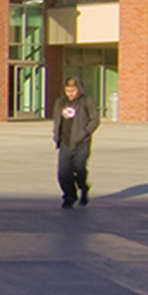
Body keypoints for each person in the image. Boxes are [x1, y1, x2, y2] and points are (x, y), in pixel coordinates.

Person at [53, 77, 100, 208]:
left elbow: (94, 120)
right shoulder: (61, 102)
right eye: (68, 90)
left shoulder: (86, 101)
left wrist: (85, 132)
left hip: (81, 142)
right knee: (63, 172)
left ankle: (83, 187)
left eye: (73, 90)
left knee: (79, 168)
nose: (70, 93)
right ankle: (69, 196)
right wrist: (56, 134)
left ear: (79, 89)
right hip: (65, 142)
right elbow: (57, 119)